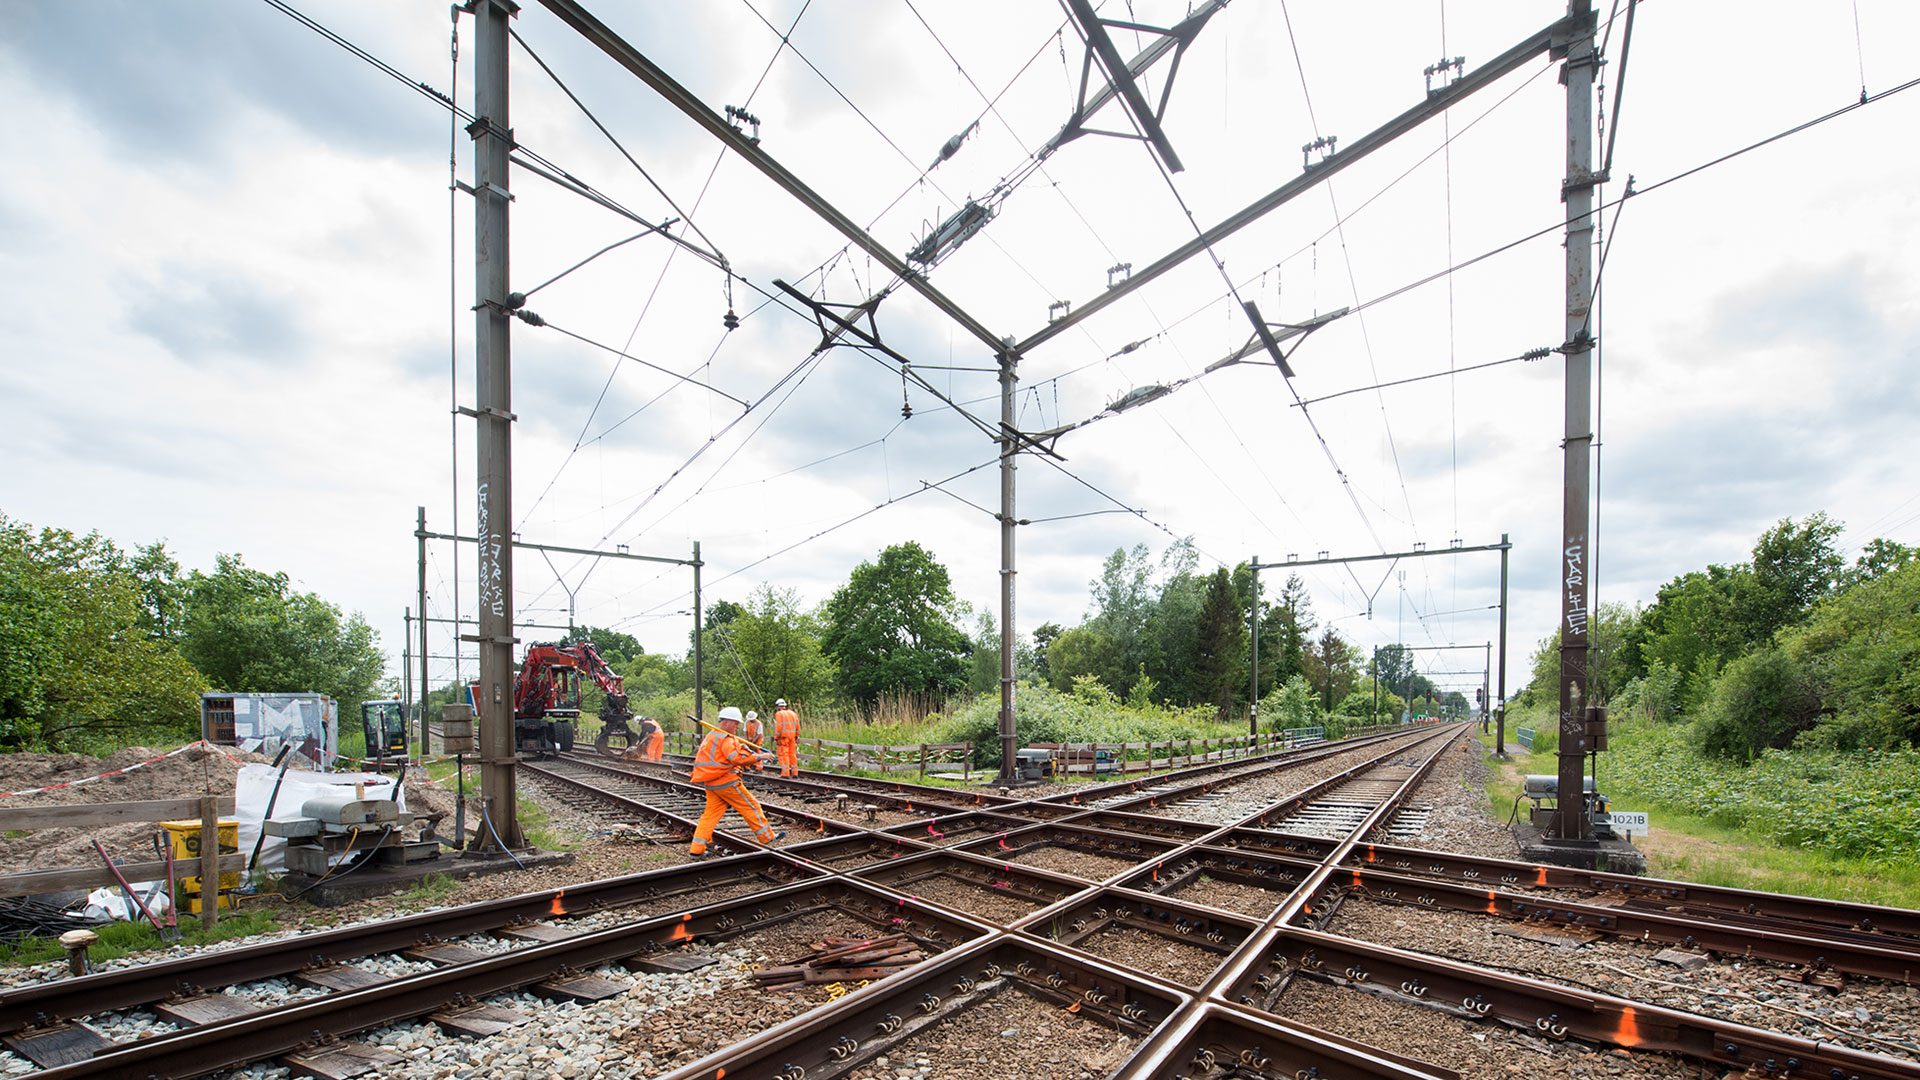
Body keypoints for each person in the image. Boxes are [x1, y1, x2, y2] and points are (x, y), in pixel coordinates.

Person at [688, 707, 782, 857]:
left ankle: (696, 849)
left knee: (710, 816)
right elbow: (735, 759)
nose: (738, 727)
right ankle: (767, 837)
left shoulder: (713, 735)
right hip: (726, 782)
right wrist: (760, 757)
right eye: (736, 724)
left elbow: (728, 754)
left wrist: (743, 748)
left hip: (711, 782)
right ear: (726, 722)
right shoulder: (726, 738)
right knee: (751, 806)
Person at [773, 698, 801, 777]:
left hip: (783, 738)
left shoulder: (779, 714)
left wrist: (776, 737)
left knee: (783, 755)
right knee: (792, 754)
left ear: (778, 706)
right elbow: (797, 726)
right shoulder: (793, 713)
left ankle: (785, 773)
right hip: (792, 737)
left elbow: (778, 727)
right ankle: (795, 773)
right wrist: (797, 736)